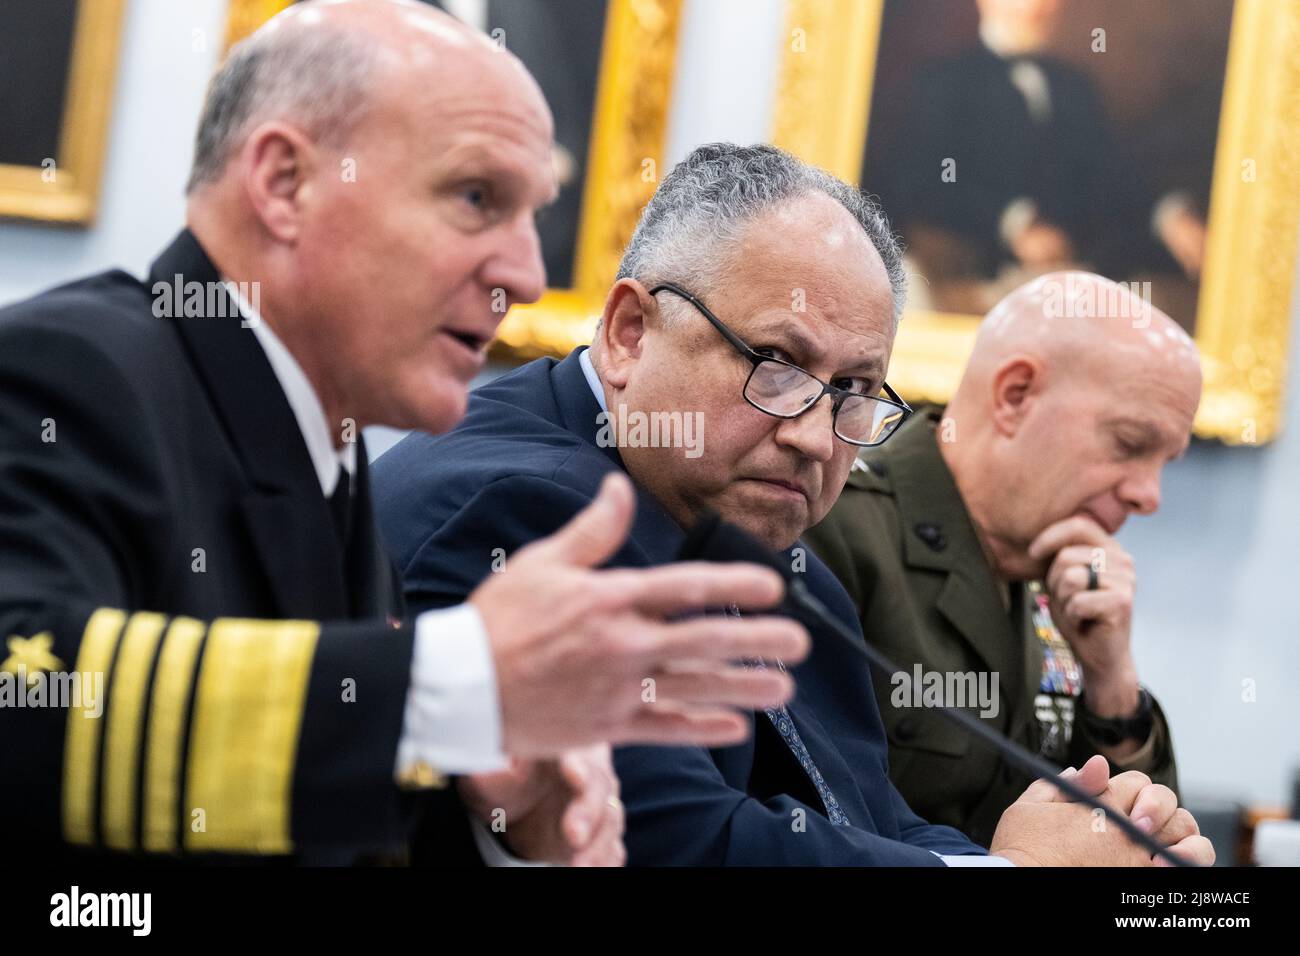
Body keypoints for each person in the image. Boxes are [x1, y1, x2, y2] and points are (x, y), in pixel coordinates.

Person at [0, 0, 810, 865]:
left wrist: (506, 826)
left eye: (534, 213)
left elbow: (307, 807)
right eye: (475, 197)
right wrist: (462, 681)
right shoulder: (72, 372)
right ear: (284, 183)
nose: (528, 276)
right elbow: (27, 705)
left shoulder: (328, 455)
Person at [373, 144, 1212, 866]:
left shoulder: (753, 529)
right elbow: (672, 841)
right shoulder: (527, 507)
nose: (816, 436)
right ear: (630, 331)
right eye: (775, 362)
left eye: (851, 388)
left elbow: (867, 815)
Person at [805, 272, 1197, 847]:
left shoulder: (1059, 569)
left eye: (1167, 461)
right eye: (1131, 443)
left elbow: (1137, 848)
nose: (1149, 495)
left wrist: (1111, 682)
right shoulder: (835, 528)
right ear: (1015, 395)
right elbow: (811, 823)